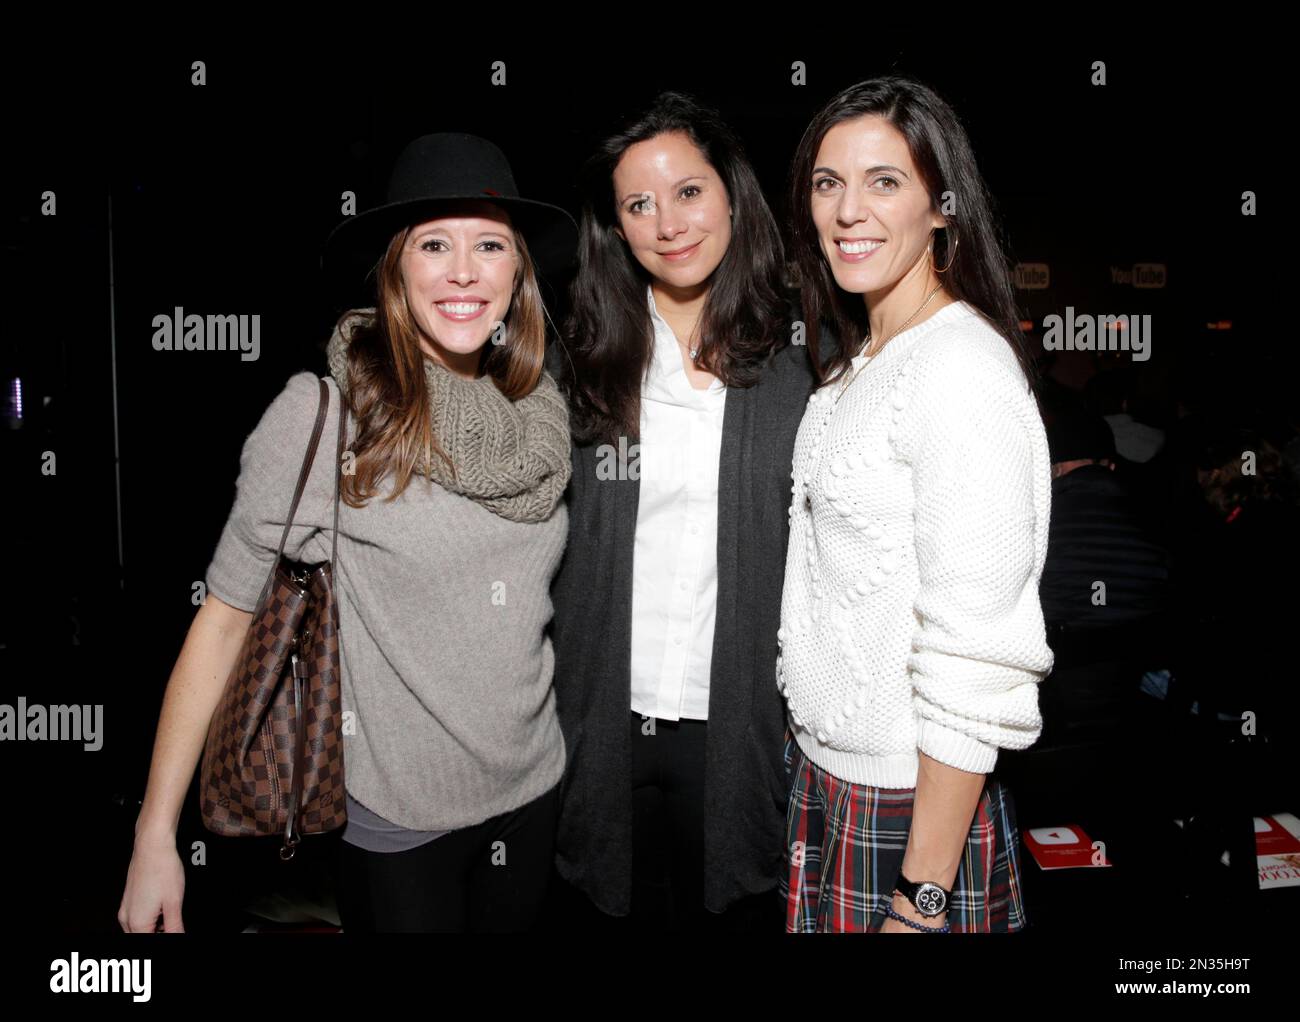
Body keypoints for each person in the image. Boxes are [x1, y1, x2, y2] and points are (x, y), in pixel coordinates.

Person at [117, 133, 577, 933]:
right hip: (403, 829)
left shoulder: (537, 408)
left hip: (536, 795)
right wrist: (154, 834)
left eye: (490, 246)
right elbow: (222, 623)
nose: (463, 271)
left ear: (518, 275)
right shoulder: (324, 416)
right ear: (396, 269)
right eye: (434, 244)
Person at [778, 76, 1054, 933]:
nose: (848, 211)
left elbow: (976, 656)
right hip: (826, 782)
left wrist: (920, 898)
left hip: (911, 814)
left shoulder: (959, 369)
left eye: (884, 182)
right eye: (829, 184)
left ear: (942, 206)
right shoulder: (857, 364)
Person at [545, 92, 818, 930]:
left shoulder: (805, 354)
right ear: (615, 228)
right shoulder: (580, 360)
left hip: (739, 729)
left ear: (731, 193)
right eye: (639, 204)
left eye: (688, 192)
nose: (668, 223)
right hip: (598, 724)